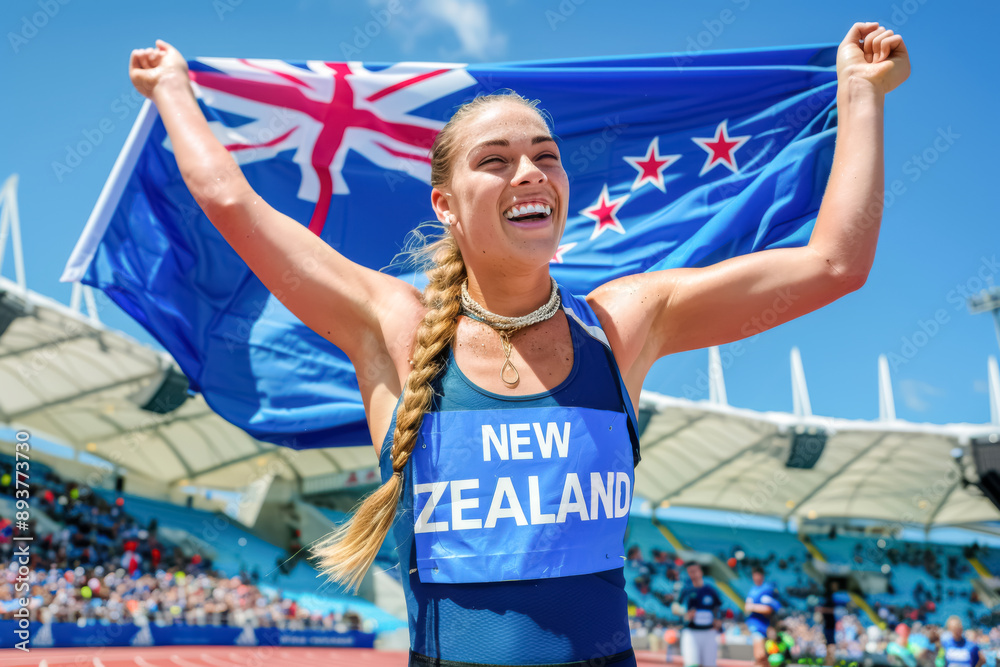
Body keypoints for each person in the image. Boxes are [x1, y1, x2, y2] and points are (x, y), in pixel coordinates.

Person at [128, 22, 909, 667]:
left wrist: (861, 97)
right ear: (446, 205)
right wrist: (173, 92)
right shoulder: (389, 326)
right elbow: (231, 202)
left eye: (546, 155)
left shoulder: (624, 324)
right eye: (495, 161)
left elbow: (835, 264)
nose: (530, 172)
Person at [678, 561, 723, 667]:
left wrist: (718, 620)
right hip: (691, 632)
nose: (693, 574)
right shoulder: (685, 590)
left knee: (710, 664)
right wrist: (685, 614)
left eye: (695, 571)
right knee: (692, 664)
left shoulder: (710, 590)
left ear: (700, 571)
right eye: (690, 572)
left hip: (709, 633)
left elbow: (718, 608)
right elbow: (675, 608)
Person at [746, 566, 782, 667]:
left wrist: (752, 607)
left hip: (767, 626)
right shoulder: (753, 590)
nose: (756, 577)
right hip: (755, 626)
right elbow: (746, 607)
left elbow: (769, 609)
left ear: (762, 576)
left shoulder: (767, 589)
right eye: (754, 575)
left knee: (763, 657)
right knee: (759, 655)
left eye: (758, 575)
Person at [816, 577, 845, 665]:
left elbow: (840, 610)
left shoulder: (839, 597)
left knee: (831, 644)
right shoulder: (827, 596)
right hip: (828, 624)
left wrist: (823, 610)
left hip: (835, 624)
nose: (834, 587)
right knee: (828, 643)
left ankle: (831, 660)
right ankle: (828, 661)